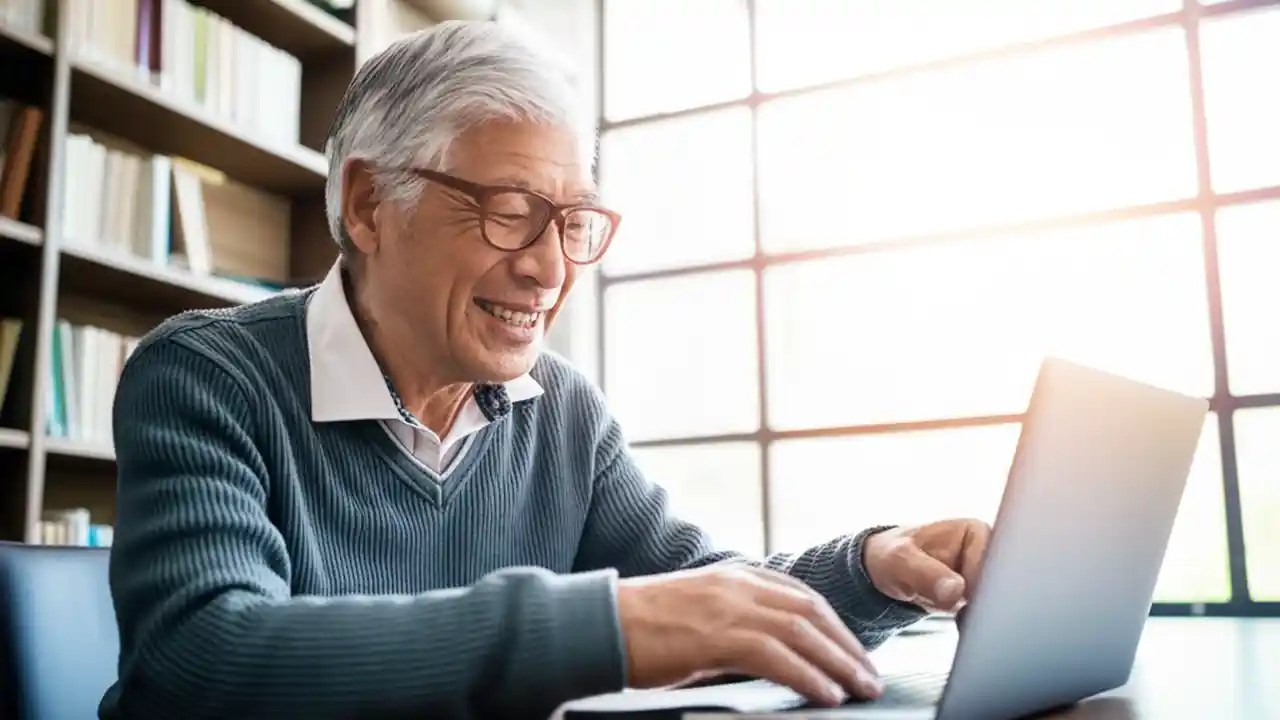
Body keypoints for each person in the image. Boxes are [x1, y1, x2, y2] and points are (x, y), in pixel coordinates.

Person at [99, 20, 990, 720]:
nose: (550, 268)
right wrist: (608, 626)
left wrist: (875, 569)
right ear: (370, 206)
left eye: (573, 221)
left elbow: (712, 600)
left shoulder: (560, 410)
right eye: (512, 211)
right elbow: (201, 660)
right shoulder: (207, 373)